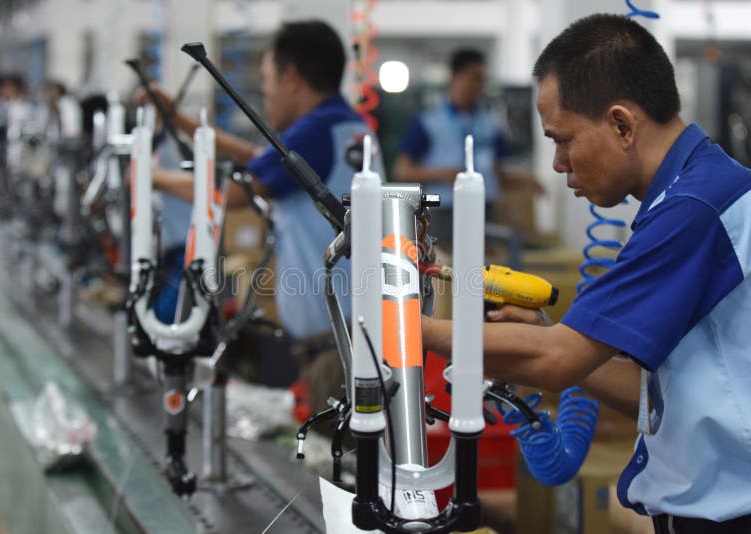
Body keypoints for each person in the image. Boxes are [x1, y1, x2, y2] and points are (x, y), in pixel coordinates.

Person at [422, 13, 751, 533]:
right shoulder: (693, 194)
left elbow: (558, 365)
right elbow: (663, 394)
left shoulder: (695, 208)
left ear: (622, 124)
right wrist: (547, 338)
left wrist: (403, 327)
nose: (556, 163)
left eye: (564, 139)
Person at [151, 20, 381, 414]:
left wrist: (148, 176)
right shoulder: (343, 124)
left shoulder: (314, 131)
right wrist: (185, 124)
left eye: (268, 80)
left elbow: (233, 194)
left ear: (291, 77)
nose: (267, 94)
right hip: (352, 331)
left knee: (338, 458)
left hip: (337, 347)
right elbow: (263, 159)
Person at [393, 49, 509, 246]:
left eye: (481, 78)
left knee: (483, 271)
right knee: (443, 270)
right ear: (455, 76)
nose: (478, 84)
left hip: (483, 209)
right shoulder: (429, 122)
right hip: (443, 209)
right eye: (473, 77)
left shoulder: (491, 123)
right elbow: (402, 171)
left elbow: (500, 171)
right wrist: (441, 174)